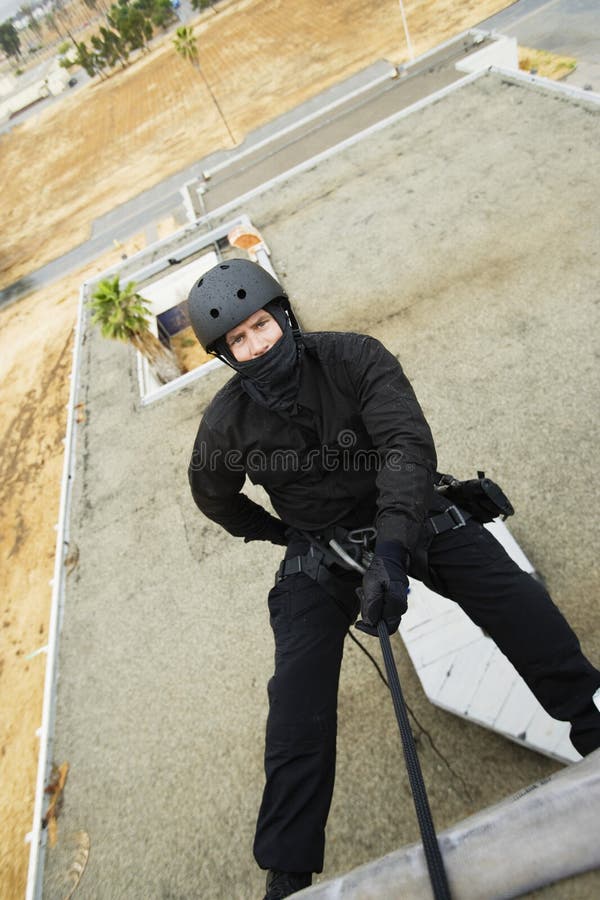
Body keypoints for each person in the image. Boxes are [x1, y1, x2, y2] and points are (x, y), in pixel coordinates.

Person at [187, 259, 600, 900]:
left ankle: (590, 720)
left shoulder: (355, 357)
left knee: (512, 595)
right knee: (296, 689)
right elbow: (214, 498)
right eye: (237, 341)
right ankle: (286, 871)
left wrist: (392, 554)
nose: (255, 345)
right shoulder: (225, 425)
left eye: (262, 326)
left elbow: (406, 446)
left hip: (403, 507)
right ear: (225, 356)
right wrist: (281, 536)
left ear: (285, 317)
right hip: (317, 546)